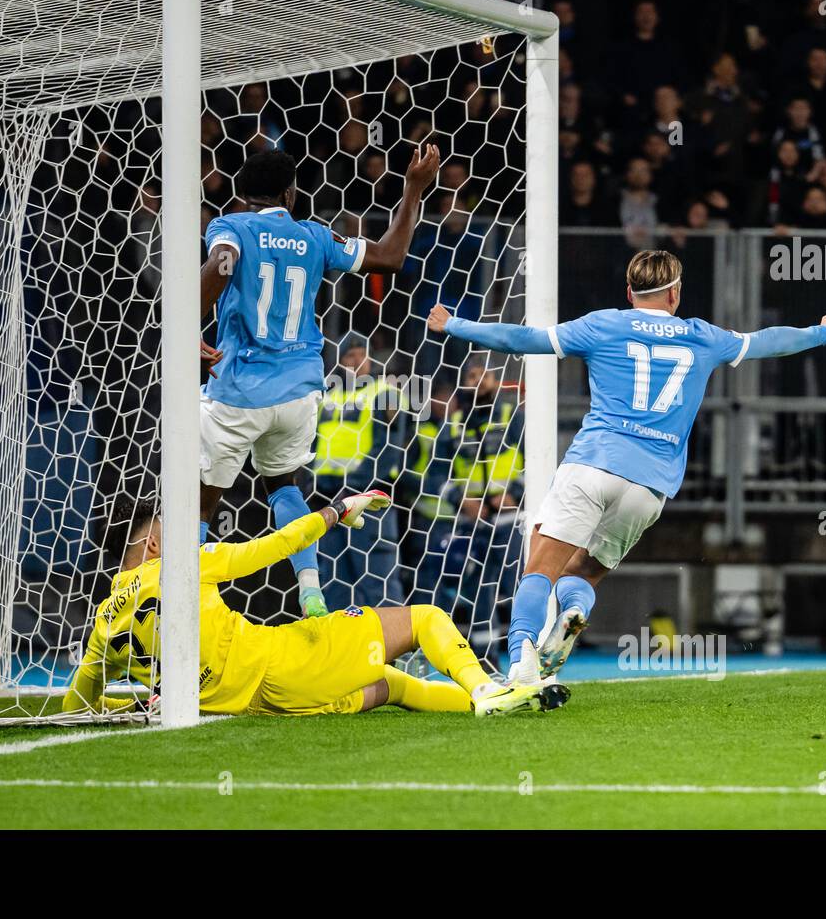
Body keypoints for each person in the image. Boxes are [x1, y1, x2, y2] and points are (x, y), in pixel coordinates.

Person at [427, 250, 826, 683]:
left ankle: (520, 666)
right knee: (586, 571)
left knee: (539, 568)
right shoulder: (702, 337)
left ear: (630, 293)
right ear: (675, 293)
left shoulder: (602, 325)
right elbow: (766, 342)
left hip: (594, 464)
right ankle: (573, 612)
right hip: (650, 486)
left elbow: (523, 339)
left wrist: (454, 324)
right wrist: (822, 332)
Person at [196, 144, 440, 618]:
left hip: (239, 389)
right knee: (285, 487)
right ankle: (310, 589)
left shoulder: (231, 227)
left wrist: (190, 323)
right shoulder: (314, 236)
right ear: (290, 193)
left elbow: (223, 263)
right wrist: (412, 189)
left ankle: (182, 606)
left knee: (199, 503)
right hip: (301, 390)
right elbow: (390, 257)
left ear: (241, 193)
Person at [62, 491, 568, 719]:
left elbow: (75, 706)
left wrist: (132, 704)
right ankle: (486, 690)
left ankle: (510, 701)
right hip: (285, 659)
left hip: (265, 706)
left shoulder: (104, 623)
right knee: (424, 618)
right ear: (153, 545)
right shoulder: (179, 565)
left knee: (391, 685)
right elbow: (274, 547)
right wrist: (336, 510)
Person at [312, 335, 408, 609]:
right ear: (341, 362)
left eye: (361, 355)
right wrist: (311, 483)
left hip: (367, 499)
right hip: (328, 498)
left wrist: (355, 484)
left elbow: (388, 446)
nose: (357, 361)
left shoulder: (385, 392)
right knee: (334, 578)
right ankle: (340, 644)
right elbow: (313, 443)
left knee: (377, 575)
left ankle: (393, 646)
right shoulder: (327, 397)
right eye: (350, 356)